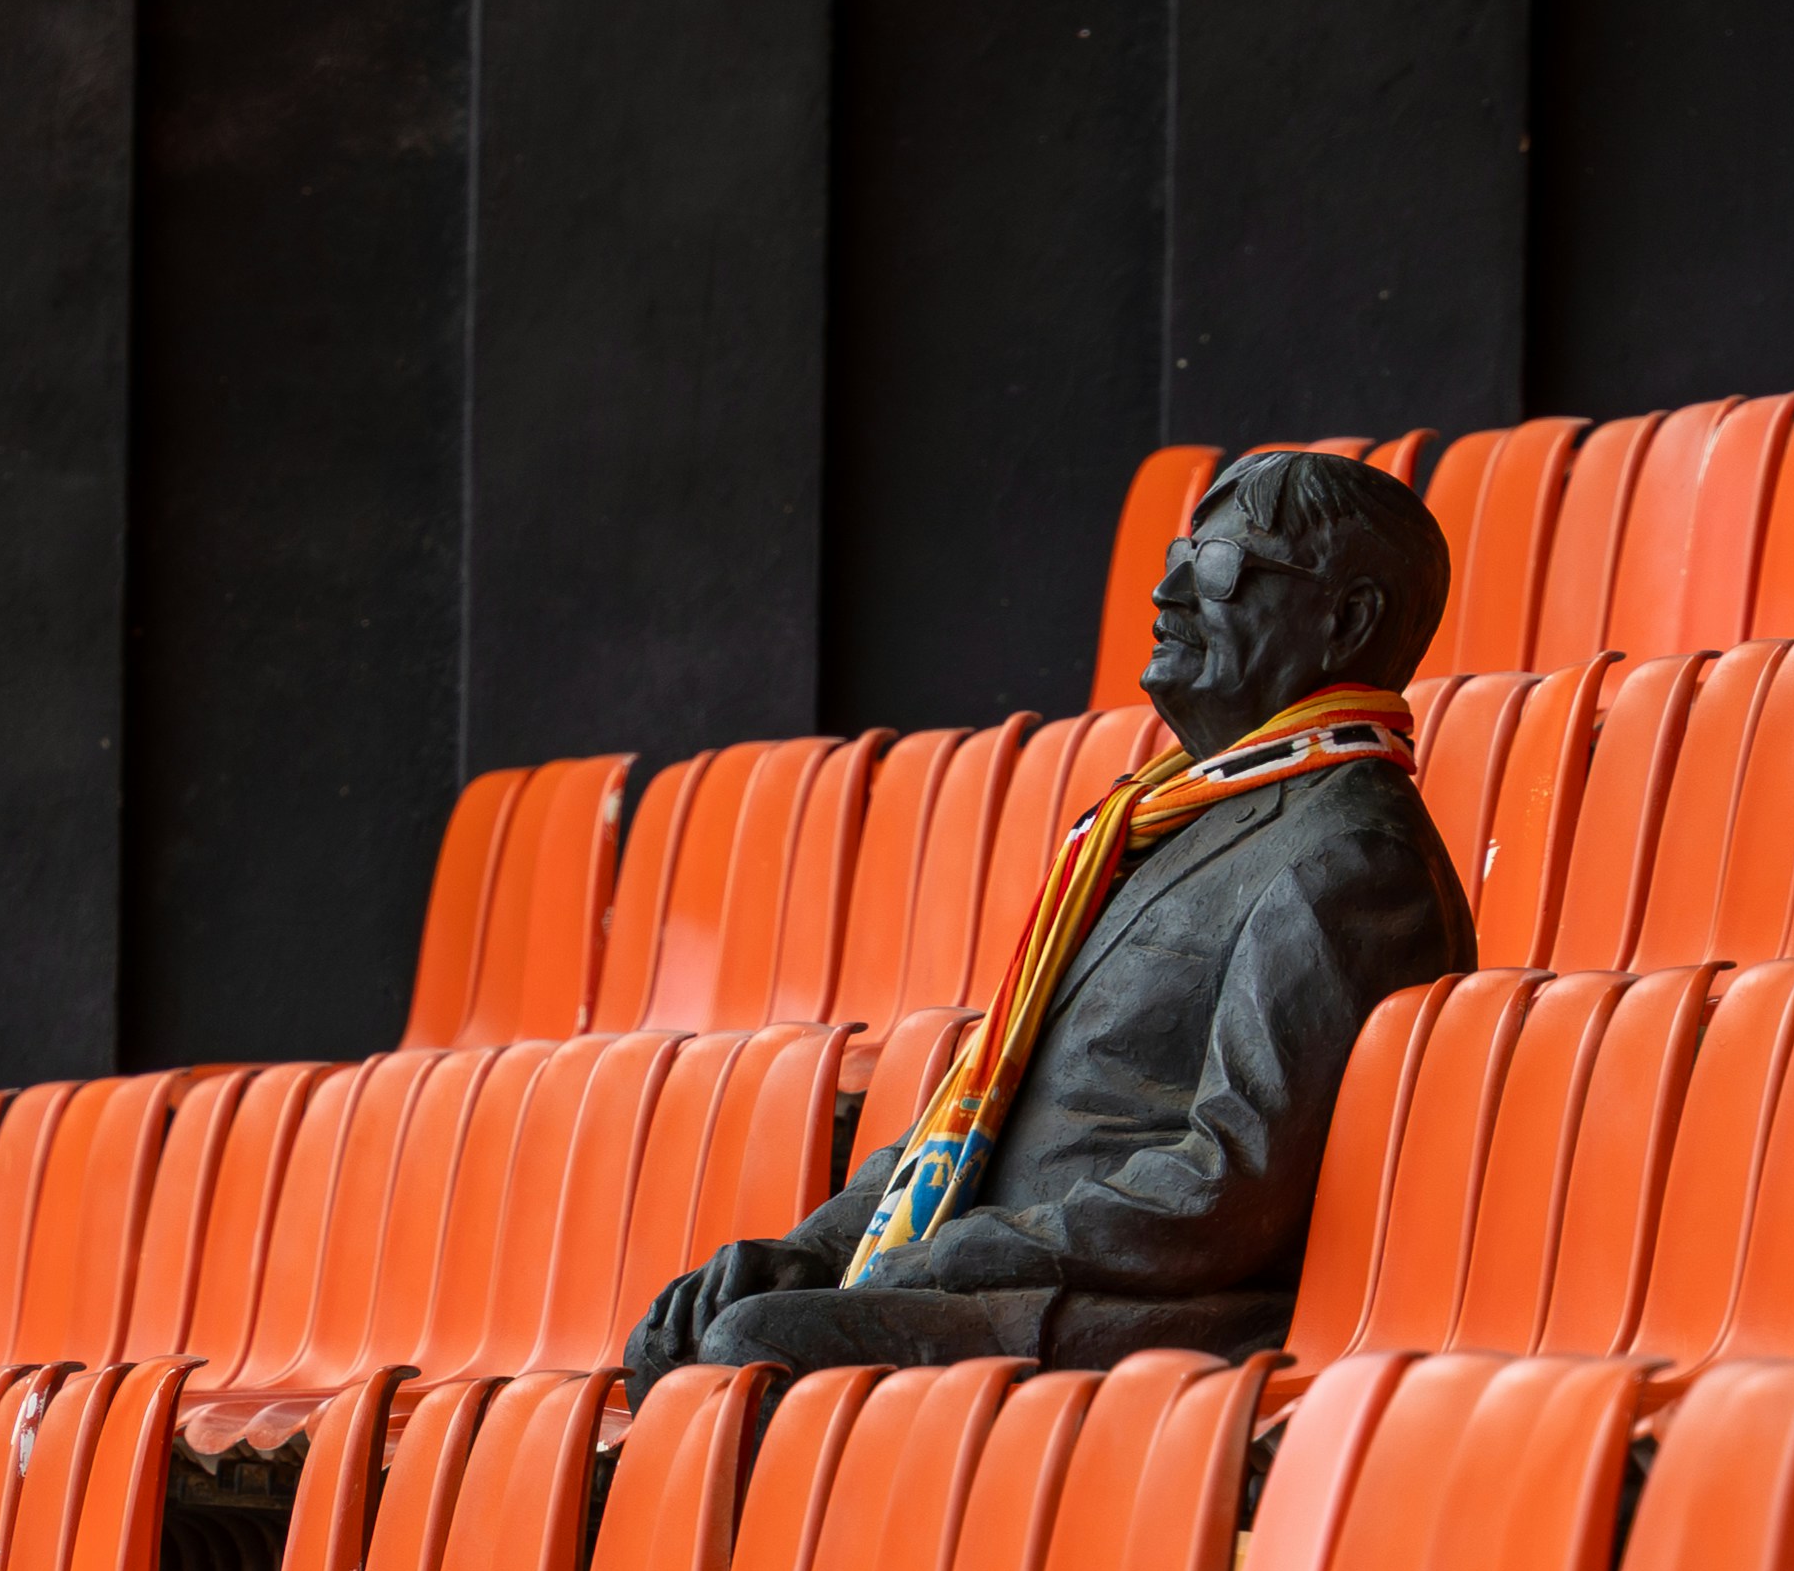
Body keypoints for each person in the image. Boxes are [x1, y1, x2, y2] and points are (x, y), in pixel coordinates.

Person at [620, 443, 1473, 1394]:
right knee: (674, 1337)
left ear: (1345, 619)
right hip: (1024, 1281)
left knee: (753, 1348)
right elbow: (987, 1110)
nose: (1170, 596)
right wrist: (818, 1249)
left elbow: (1232, 1187)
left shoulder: (1351, 856)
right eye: (1176, 561)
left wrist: (963, 1252)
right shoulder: (1156, 822)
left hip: (1158, 1320)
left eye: (1220, 569)